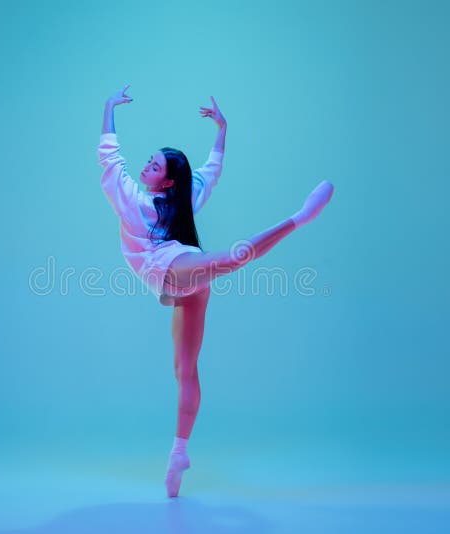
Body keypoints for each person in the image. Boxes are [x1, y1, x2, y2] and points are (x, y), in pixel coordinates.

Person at [98, 84, 334, 498]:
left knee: (231, 259)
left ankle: (299, 219)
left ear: (168, 182)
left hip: (174, 269)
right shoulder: (173, 197)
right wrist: (221, 130)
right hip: (181, 276)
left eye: (153, 166)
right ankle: (178, 455)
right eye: (149, 162)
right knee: (184, 371)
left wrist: (110, 112)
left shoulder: (138, 201)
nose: (144, 167)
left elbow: (109, 159)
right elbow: (210, 169)